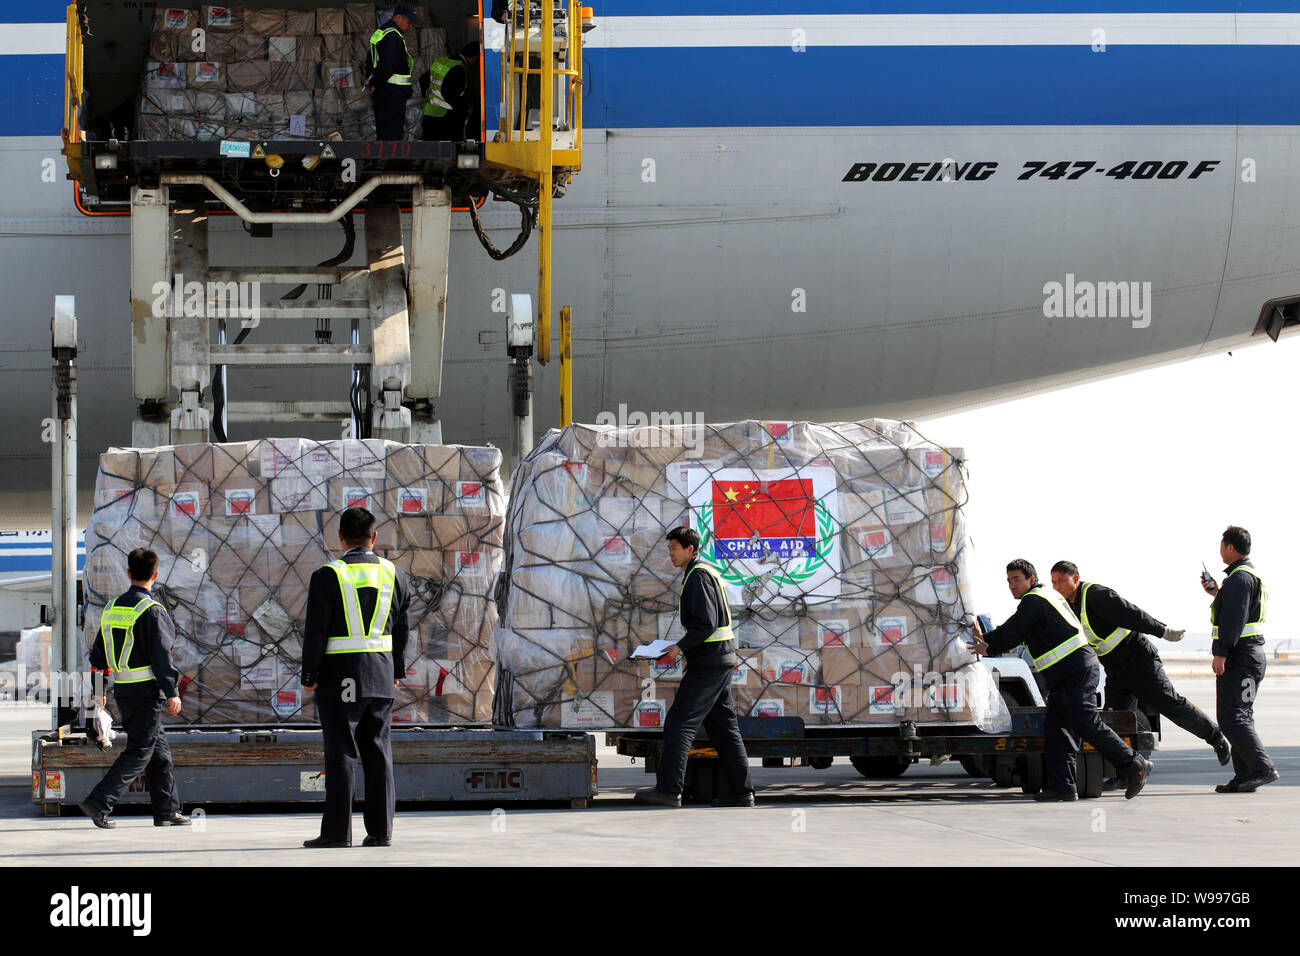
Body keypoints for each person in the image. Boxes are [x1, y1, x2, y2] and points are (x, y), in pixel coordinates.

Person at [969, 558, 1152, 801]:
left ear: (1031, 580)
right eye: (1009, 581)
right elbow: (1012, 629)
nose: (1012, 585)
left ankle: (1135, 764)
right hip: (1065, 674)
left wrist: (987, 646)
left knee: (1085, 720)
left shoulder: (1034, 601)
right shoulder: (1043, 598)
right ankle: (1063, 787)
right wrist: (987, 640)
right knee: (1057, 728)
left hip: (1076, 670)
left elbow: (1014, 630)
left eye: (1016, 580)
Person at [1050, 560, 1230, 791]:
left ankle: (1216, 738)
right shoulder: (1067, 606)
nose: (1057, 587)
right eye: (1054, 582)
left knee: (1169, 703)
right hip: (1115, 669)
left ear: (1075, 579)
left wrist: (1163, 631)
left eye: (1061, 581)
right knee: (1117, 721)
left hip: (1139, 660)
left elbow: (1132, 614)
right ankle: (1126, 774)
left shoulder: (1096, 595)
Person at [301, 507, 410, 847]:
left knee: (341, 752)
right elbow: (402, 630)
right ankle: (381, 832)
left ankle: (336, 833)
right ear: (374, 537)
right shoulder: (396, 575)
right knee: (378, 752)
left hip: (341, 678)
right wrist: (397, 671)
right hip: (380, 676)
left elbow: (315, 631)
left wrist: (310, 674)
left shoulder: (328, 575)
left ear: (340, 538)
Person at [634, 527, 755, 808]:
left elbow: (706, 623)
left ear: (691, 549)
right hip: (718, 659)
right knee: (724, 728)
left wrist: (680, 646)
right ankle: (741, 792)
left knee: (679, 723)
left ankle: (668, 791)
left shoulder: (698, 576)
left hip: (709, 662)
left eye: (675, 547)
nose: (671, 553)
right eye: (669, 548)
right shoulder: (703, 573)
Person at [79, 548, 189, 829]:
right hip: (146, 693)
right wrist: (172, 691)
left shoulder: (112, 607)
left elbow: (98, 655)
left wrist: (99, 689)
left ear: (128, 573)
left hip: (124, 692)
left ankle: (167, 810)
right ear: (155, 575)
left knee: (159, 752)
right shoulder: (152, 611)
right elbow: (162, 657)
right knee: (140, 751)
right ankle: (99, 802)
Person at [1202, 526, 1278, 793]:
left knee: (1233, 716)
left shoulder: (1239, 579)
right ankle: (1244, 775)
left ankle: (1262, 768)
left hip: (1241, 656)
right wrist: (1215, 593)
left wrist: (1221, 653)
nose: (1220, 550)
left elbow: (1234, 619)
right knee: (1238, 715)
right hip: (1247, 654)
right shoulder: (1241, 578)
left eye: (1222, 545)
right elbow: (1238, 611)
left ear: (1230, 548)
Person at [365, 3, 422, 140]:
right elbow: (388, 65)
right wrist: (374, 82)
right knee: (392, 135)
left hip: (385, 93)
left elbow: (371, 58)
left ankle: (386, 159)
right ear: (399, 17)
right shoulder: (393, 37)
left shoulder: (383, 32)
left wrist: (371, 80)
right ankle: (391, 160)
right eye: (409, 21)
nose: (411, 26)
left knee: (385, 132)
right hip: (391, 94)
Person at [419, 44, 479, 141]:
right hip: (445, 121)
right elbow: (449, 94)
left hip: (429, 116)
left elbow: (422, 81)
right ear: (475, 57)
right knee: (447, 153)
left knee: (430, 152)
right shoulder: (459, 68)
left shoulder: (442, 61)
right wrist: (466, 108)